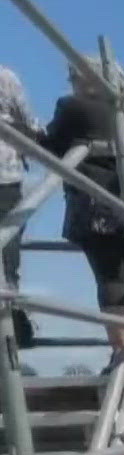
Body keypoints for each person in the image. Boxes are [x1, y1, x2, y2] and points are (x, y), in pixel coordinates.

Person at [37, 58, 124, 356]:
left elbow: (48, 146)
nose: (71, 83)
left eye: (74, 77)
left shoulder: (73, 107)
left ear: (88, 80)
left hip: (100, 202)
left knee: (111, 279)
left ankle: (121, 355)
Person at [0, 64, 38, 295]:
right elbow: (29, 121)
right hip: (5, 176)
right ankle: (8, 315)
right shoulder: (5, 77)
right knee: (8, 245)